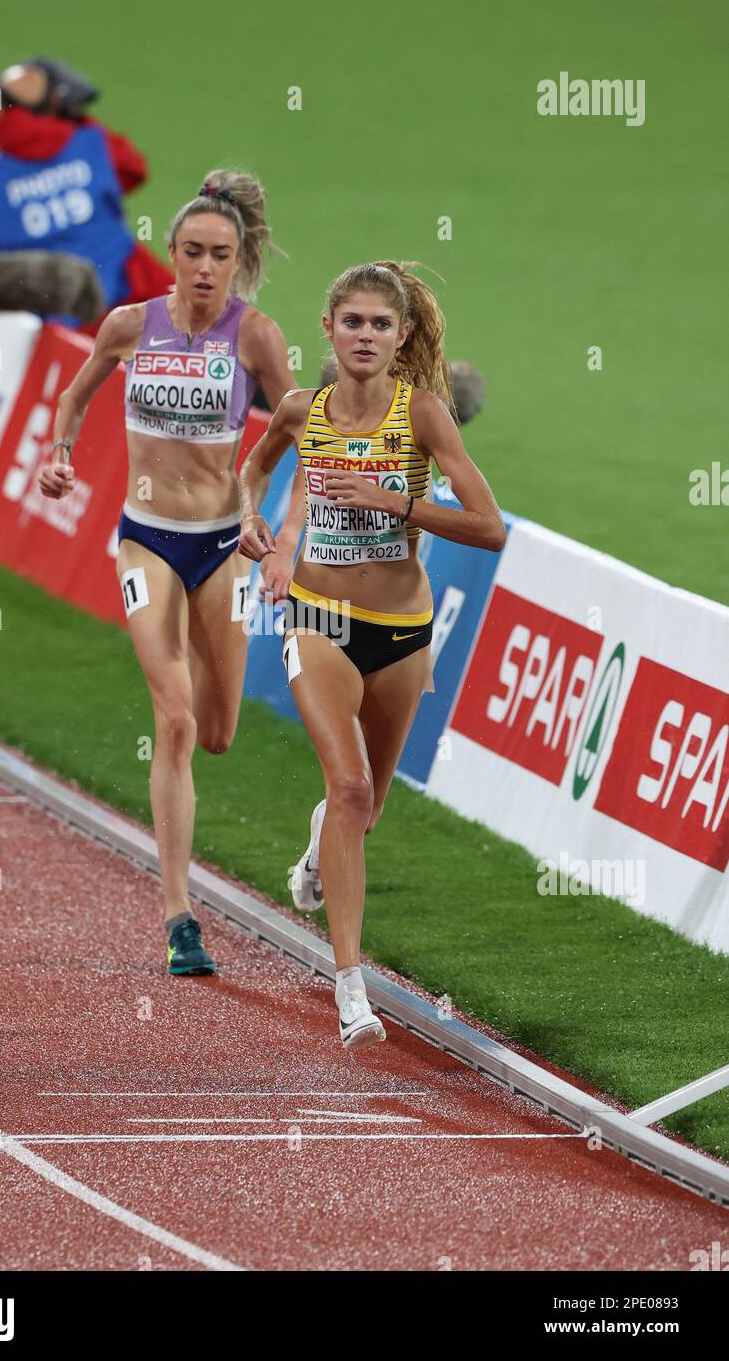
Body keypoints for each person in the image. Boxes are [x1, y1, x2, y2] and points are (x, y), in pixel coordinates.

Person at [38, 171, 301, 974]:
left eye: (220, 254)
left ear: (237, 258)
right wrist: (58, 456)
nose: (204, 267)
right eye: (191, 251)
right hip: (145, 541)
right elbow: (76, 396)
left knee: (217, 732)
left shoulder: (254, 337)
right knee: (176, 721)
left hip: (220, 546)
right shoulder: (129, 325)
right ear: (173, 253)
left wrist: (267, 512)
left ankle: (181, 896)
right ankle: (179, 916)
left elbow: (301, 427)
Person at [238, 261, 506, 1047]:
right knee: (351, 787)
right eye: (352, 322)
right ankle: (351, 986)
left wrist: (400, 502)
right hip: (317, 619)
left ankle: (322, 843)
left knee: (365, 809)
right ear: (327, 328)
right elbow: (249, 471)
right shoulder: (301, 409)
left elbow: (490, 528)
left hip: (402, 632)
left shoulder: (423, 415)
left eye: (380, 325)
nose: (365, 336)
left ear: (403, 336)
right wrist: (253, 526)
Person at [0, 63, 172, 331]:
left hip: (59, 310)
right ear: (54, 103)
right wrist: (75, 116)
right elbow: (135, 170)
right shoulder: (88, 140)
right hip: (131, 285)